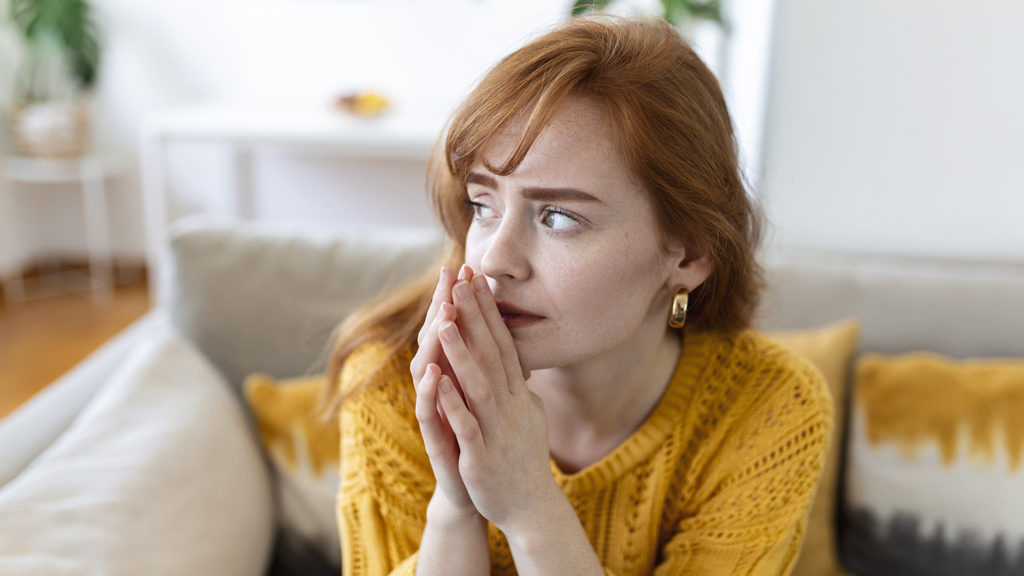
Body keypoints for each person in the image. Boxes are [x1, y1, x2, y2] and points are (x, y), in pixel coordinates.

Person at [326, 15, 833, 576]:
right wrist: (455, 506)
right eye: (483, 205)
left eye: (560, 217)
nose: (494, 258)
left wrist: (529, 506)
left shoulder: (767, 409)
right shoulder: (392, 383)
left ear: (688, 254)